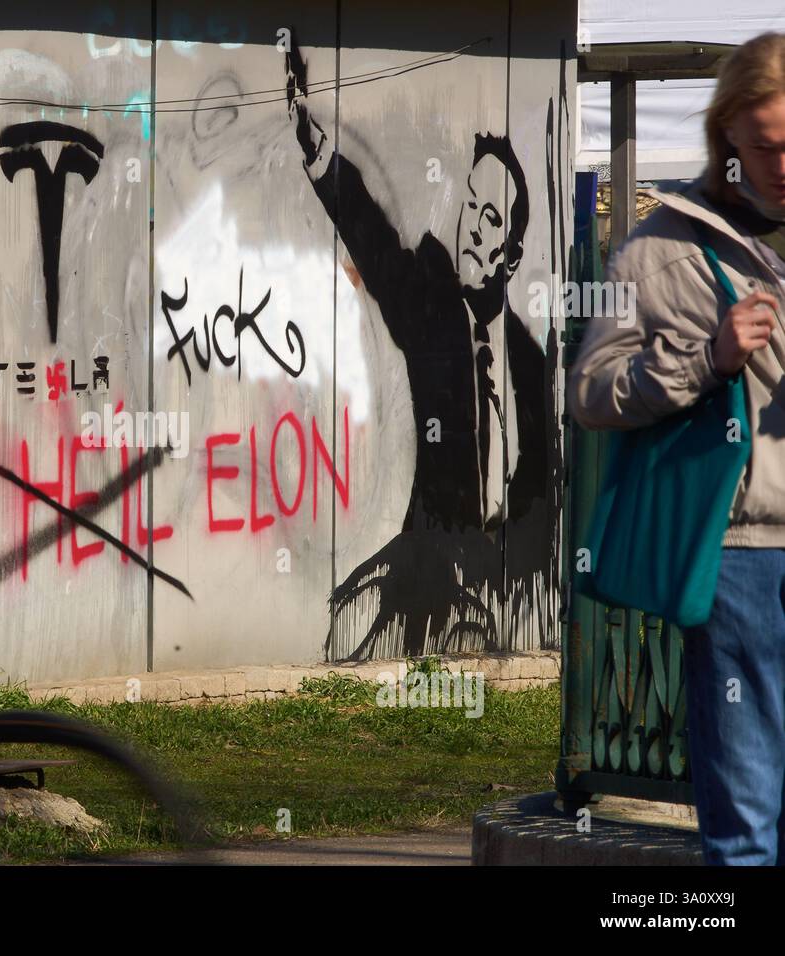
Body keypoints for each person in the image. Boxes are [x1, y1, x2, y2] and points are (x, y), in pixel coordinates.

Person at [568, 33, 785, 865]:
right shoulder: (663, 251)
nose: (780, 162)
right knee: (746, 820)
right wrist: (705, 361)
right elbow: (590, 392)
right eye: (765, 144)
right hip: (741, 558)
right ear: (727, 132)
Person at [283, 42, 555, 660]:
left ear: (510, 256)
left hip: (501, 597)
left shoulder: (532, 365)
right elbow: (373, 242)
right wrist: (316, 151)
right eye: (471, 206)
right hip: (428, 582)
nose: (471, 227)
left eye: (491, 220)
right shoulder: (430, 307)